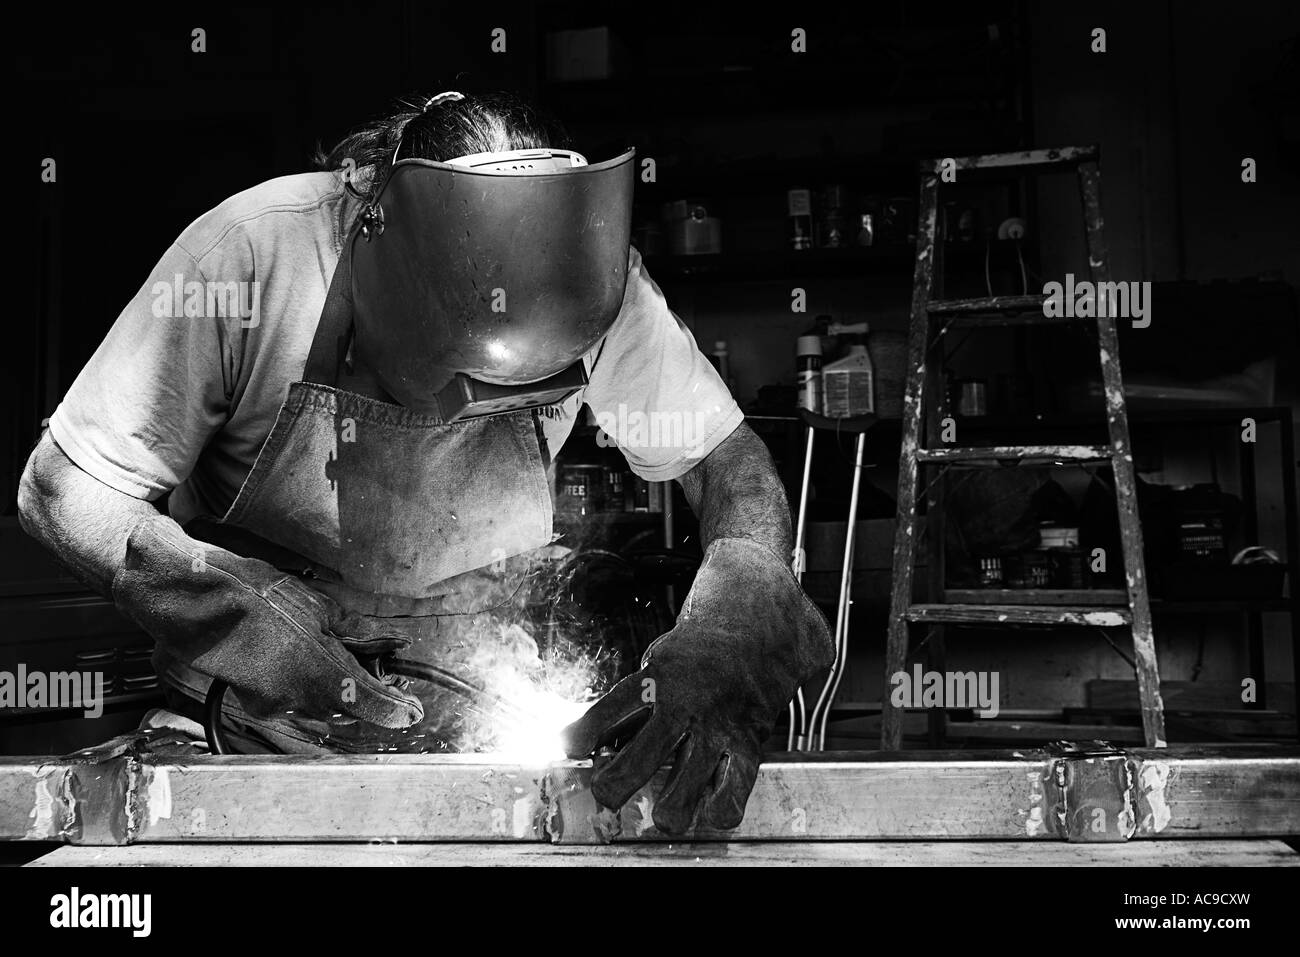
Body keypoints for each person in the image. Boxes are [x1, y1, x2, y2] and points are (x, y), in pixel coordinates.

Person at [17, 90, 832, 835]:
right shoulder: (248, 259)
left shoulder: (591, 283)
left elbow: (728, 462)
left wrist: (740, 594)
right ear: (375, 242)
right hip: (244, 725)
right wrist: (223, 605)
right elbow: (61, 488)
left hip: (474, 715)